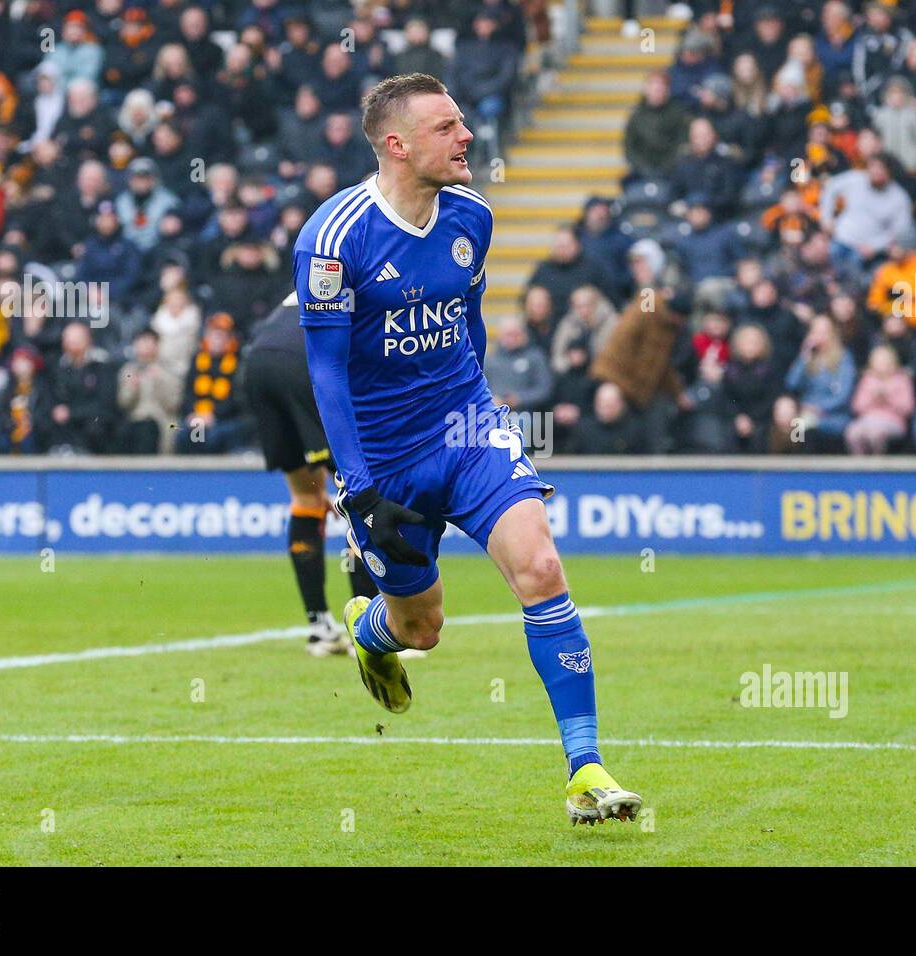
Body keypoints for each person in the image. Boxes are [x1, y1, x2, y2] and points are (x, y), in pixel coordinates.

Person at [292, 73, 641, 825]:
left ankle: (585, 769)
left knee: (542, 567)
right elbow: (323, 371)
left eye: (462, 123)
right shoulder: (332, 238)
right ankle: (367, 629)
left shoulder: (473, 217)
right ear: (397, 144)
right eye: (447, 127)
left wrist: (481, 411)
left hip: (466, 428)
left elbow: (471, 323)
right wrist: (356, 489)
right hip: (383, 460)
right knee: (423, 629)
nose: (467, 137)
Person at [243, 292, 379, 657]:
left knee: (305, 497)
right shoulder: (369, 273)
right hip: (304, 363)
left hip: (257, 364)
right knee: (362, 494)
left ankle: (319, 629)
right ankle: (364, 633)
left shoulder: (312, 274)